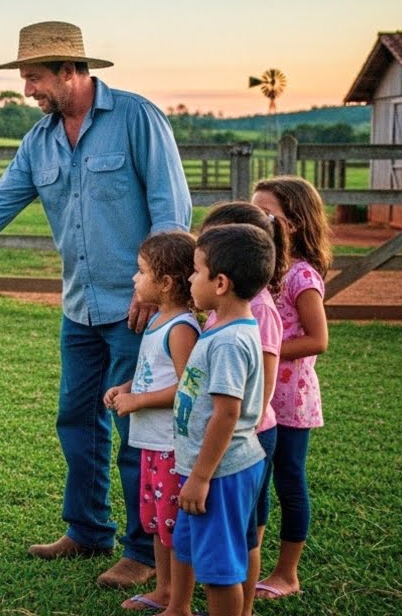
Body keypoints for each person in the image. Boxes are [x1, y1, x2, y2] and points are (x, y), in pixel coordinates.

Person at [0, 21, 193, 587]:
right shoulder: (39, 141)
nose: (27, 90)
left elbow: (171, 209)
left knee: (139, 427)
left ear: (70, 71)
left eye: (34, 78)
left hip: (140, 309)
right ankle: (88, 530)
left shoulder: (136, 118)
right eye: (25, 78)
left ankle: (143, 550)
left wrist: (161, 292)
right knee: (76, 420)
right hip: (79, 308)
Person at [173, 224, 272, 616]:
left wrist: (201, 477)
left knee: (219, 571)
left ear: (220, 283)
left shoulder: (229, 342)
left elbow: (227, 413)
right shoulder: (224, 329)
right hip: (212, 468)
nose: (190, 278)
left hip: (220, 472)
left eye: (196, 270)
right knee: (195, 548)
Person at [197, 202, 289, 616]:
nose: (191, 276)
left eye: (197, 268)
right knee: (238, 533)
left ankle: (242, 607)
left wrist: (208, 466)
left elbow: (256, 394)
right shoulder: (225, 313)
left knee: (242, 535)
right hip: (231, 437)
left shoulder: (256, 314)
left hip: (243, 439)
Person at [103, 231, 200, 612]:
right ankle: (163, 589)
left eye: (141, 271)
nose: (134, 278)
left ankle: (178, 598)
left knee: (174, 525)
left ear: (166, 282)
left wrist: (138, 400)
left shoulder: (181, 328)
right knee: (158, 521)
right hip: (151, 443)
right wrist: (125, 388)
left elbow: (187, 388)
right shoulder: (158, 320)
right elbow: (151, 372)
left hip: (172, 447)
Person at [250, 176, 332, 601]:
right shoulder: (262, 270)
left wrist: (264, 348)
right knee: (257, 484)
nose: (256, 220)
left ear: (295, 223)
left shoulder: (301, 276)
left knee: (289, 481)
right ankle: (250, 567)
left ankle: (287, 573)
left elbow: (318, 339)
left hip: (291, 403)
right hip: (259, 402)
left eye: (266, 215)